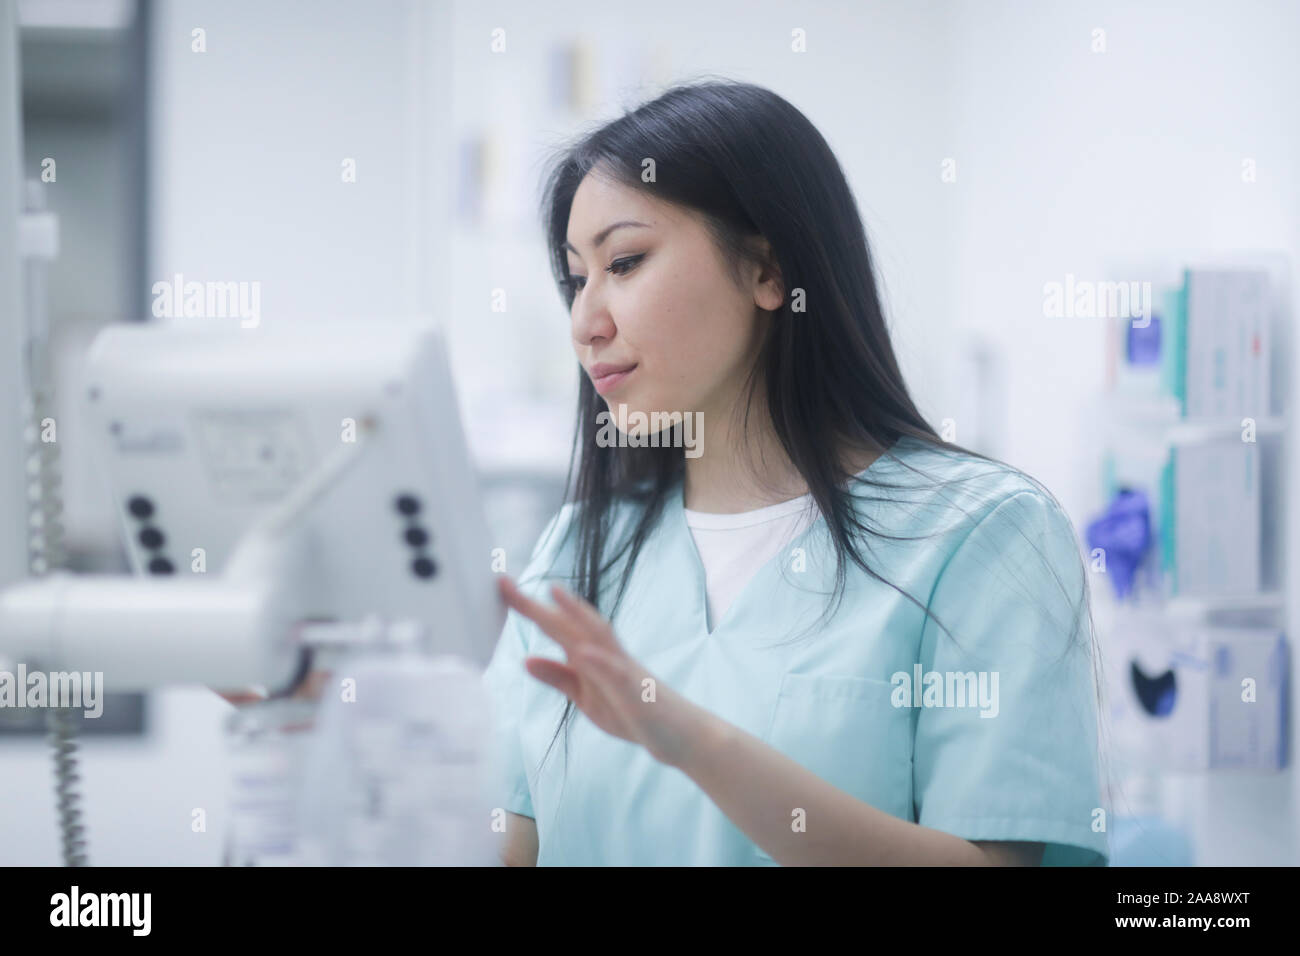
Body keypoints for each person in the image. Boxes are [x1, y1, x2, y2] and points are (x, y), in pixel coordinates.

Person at [484, 79, 1109, 867]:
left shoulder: (980, 534)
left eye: (626, 261)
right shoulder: (579, 552)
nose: (584, 320)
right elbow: (505, 846)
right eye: (577, 279)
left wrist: (698, 743)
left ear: (769, 271)